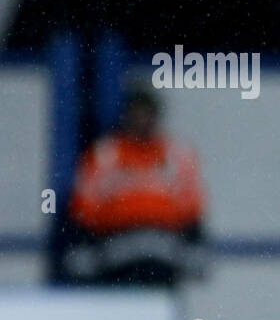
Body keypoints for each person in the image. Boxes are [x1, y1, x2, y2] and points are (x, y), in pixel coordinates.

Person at [66, 88, 206, 287]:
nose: (141, 120)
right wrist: (82, 245)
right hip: (115, 250)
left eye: (147, 114)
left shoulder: (176, 155)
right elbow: (84, 209)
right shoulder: (106, 154)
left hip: (164, 251)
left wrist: (195, 245)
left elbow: (192, 211)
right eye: (136, 114)